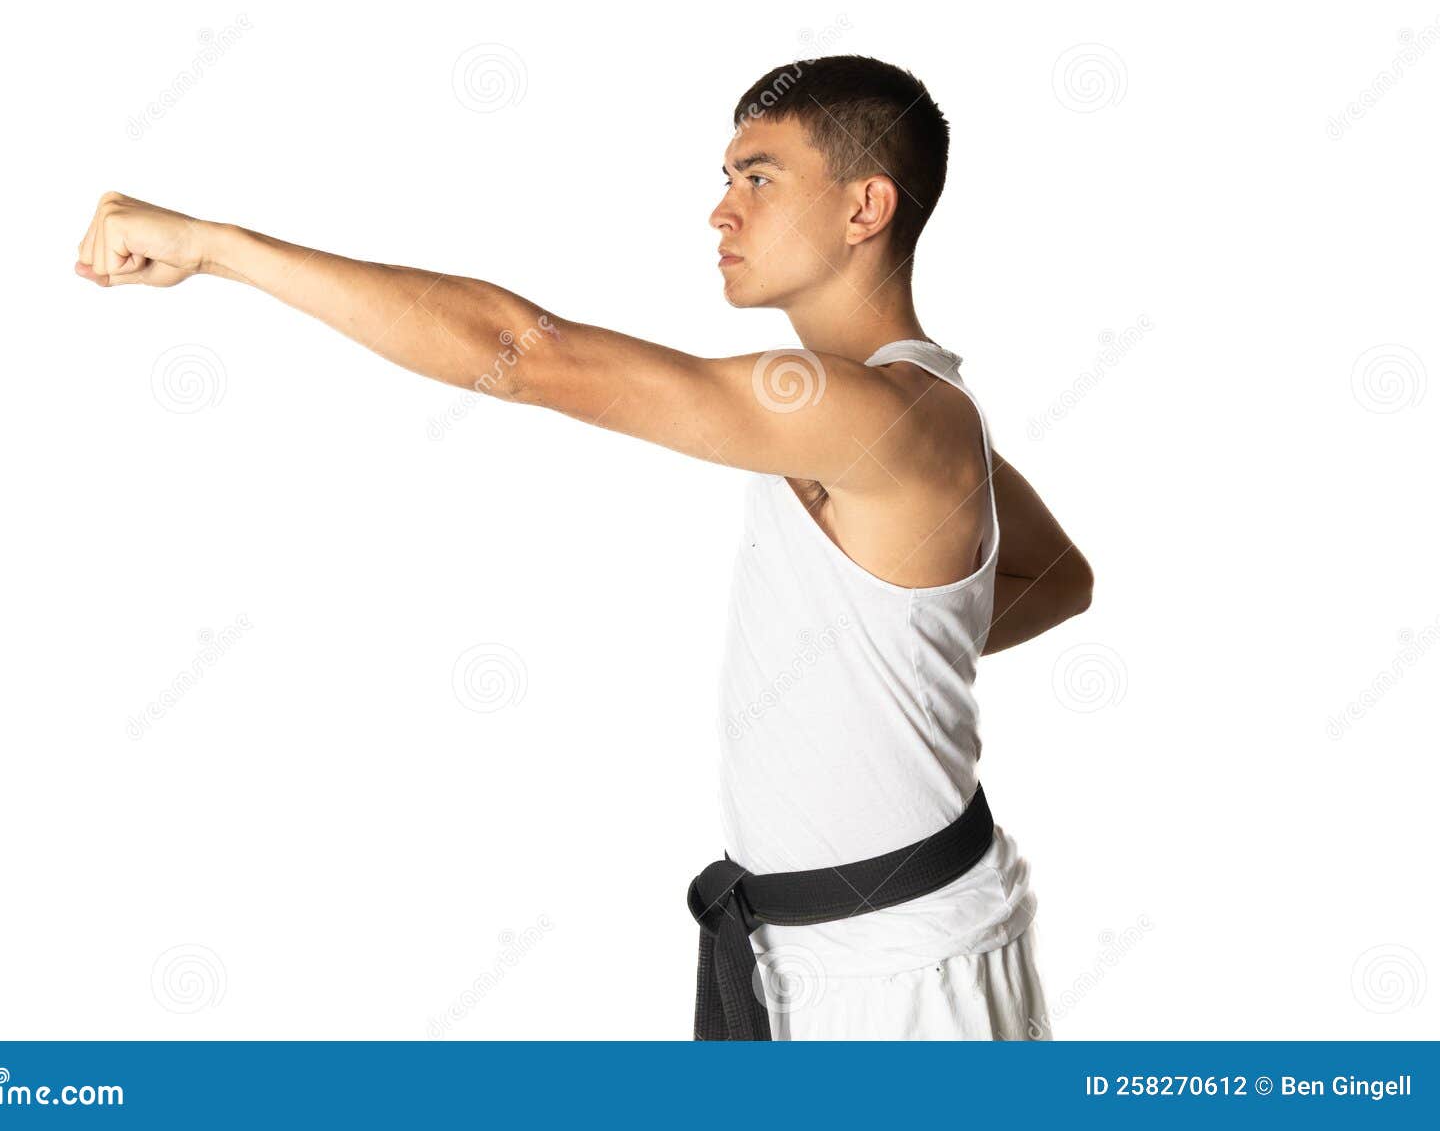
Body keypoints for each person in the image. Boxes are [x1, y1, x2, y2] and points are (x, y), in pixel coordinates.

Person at [74, 53, 1092, 1040]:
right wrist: (883, 650)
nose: (720, 209)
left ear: (865, 208)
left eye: (759, 177)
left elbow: (526, 357)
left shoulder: (869, 407)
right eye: (725, 177)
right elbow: (1055, 576)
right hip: (829, 947)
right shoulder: (902, 399)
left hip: (896, 983)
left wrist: (216, 247)